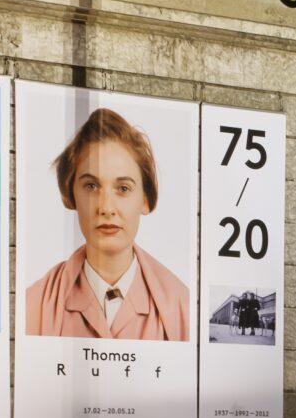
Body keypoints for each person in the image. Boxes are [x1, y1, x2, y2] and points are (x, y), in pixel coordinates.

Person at [25, 107, 190, 340]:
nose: (106, 208)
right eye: (91, 186)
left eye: (123, 189)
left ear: (145, 199)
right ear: (70, 196)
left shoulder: (183, 306)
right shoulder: (33, 304)